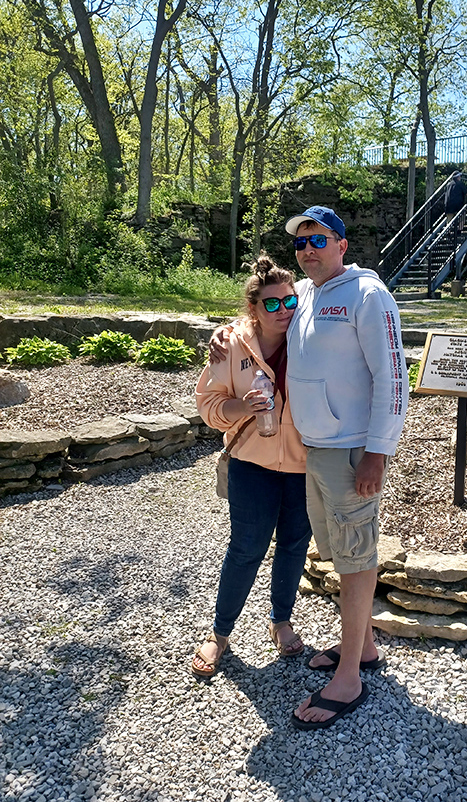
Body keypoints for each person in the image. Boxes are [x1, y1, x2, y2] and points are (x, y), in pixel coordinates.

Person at [284, 205, 408, 730]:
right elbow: (263, 316)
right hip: (317, 446)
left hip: (353, 448)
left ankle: (350, 677)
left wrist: (379, 451)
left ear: (342, 245)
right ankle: (367, 647)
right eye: (301, 243)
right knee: (339, 551)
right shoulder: (307, 294)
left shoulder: (367, 294)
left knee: (357, 559)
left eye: (319, 240)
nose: (308, 250)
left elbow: (394, 376)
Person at [191, 255, 311, 678]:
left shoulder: (310, 332)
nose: (284, 311)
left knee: (294, 546)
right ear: (253, 309)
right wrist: (240, 406)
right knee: (245, 550)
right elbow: (208, 404)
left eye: (289, 301)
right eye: (272, 304)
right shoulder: (230, 344)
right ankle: (220, 633)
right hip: (251, 464)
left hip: (304, 465)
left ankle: (282, 621)